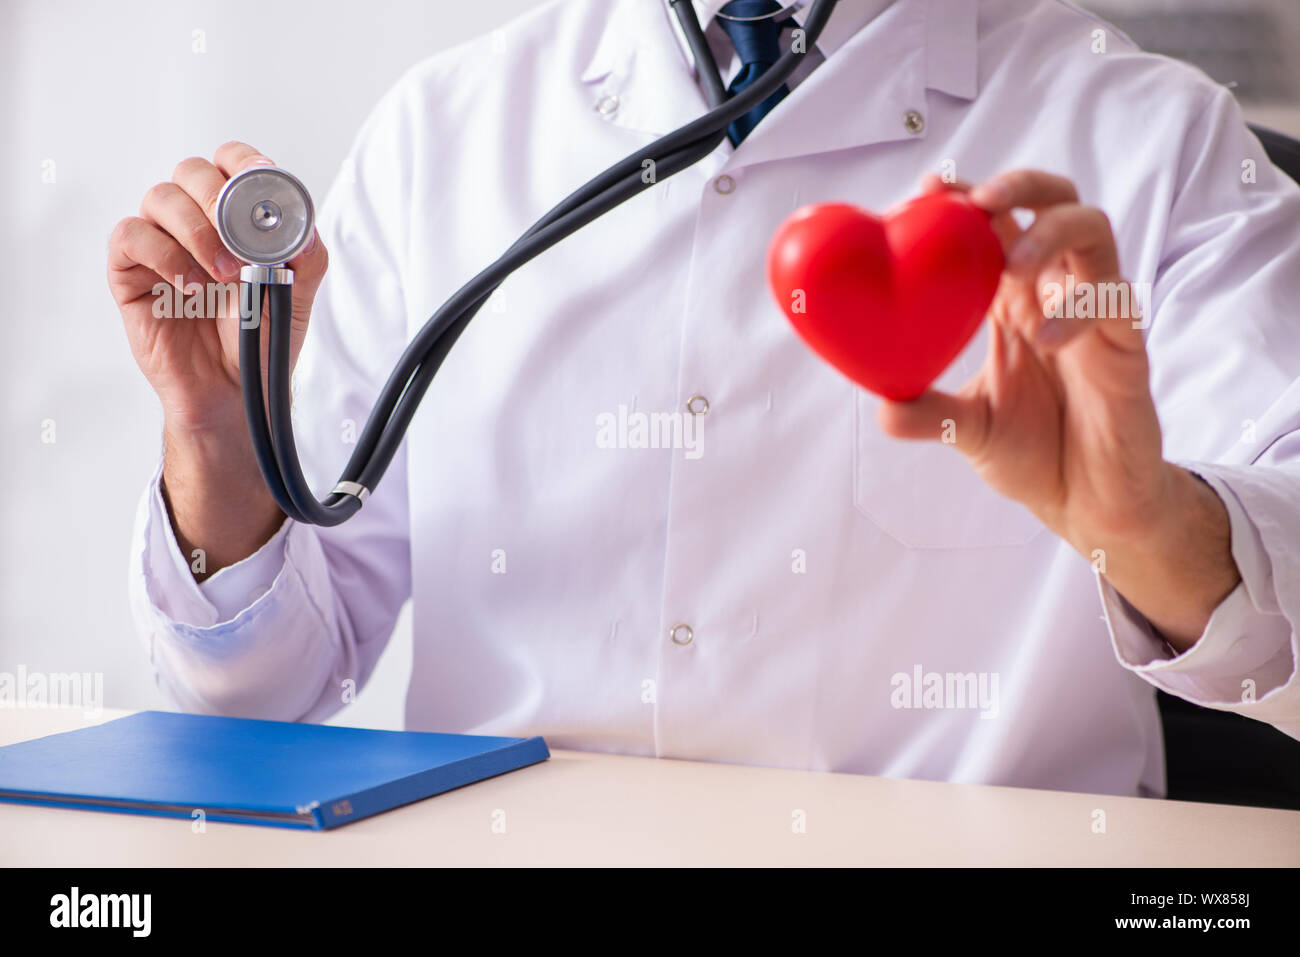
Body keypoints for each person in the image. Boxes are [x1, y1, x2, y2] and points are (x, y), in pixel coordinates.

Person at [107, 0, 1300, 797]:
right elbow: (260, 703)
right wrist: (218, 448)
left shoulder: (1148, 136)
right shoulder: (445, 128)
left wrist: (1146, 525)